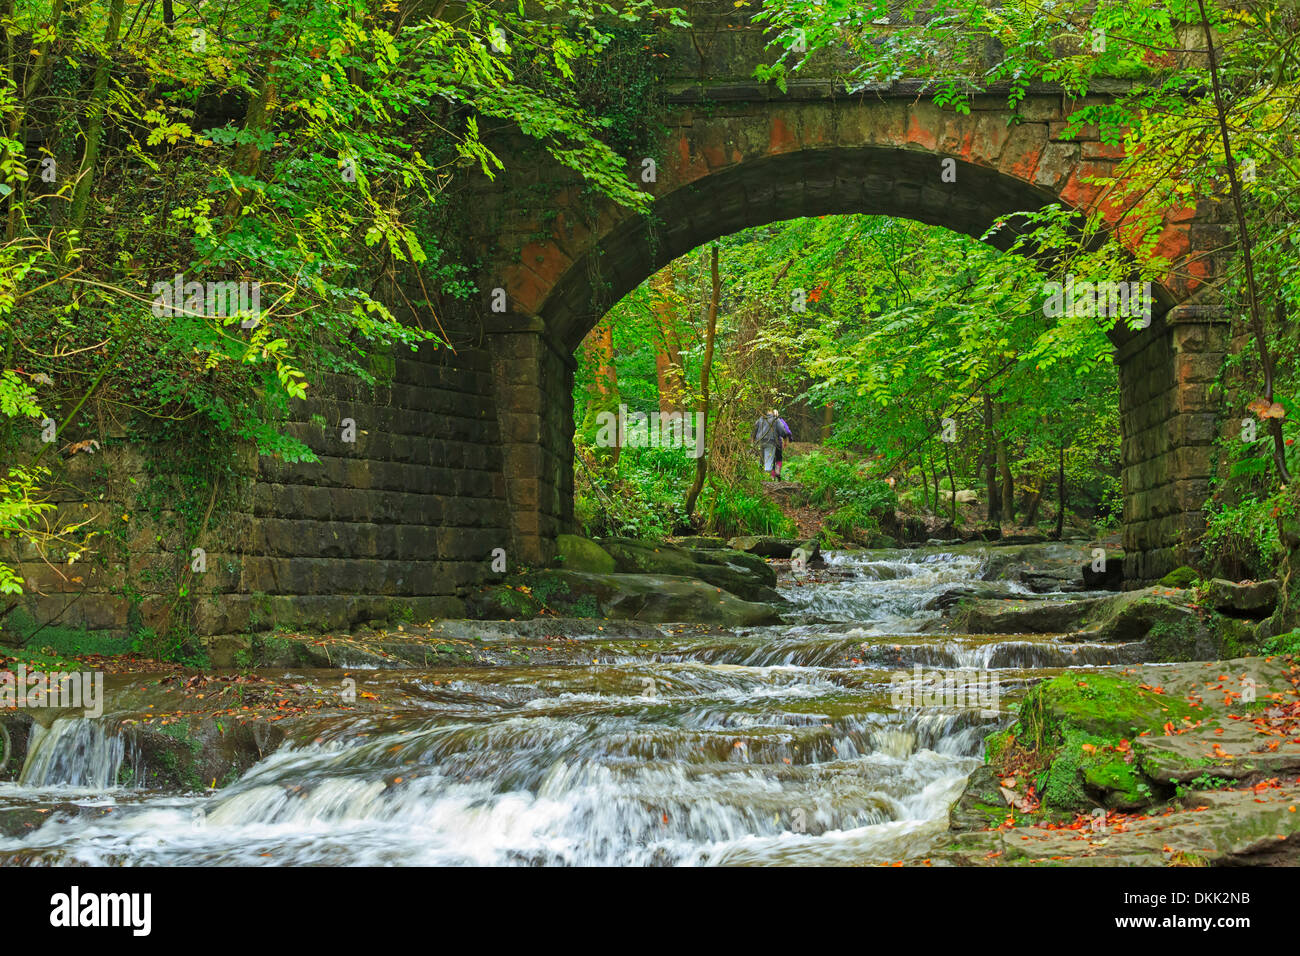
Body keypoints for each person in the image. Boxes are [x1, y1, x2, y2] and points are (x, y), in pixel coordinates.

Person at [752, 408, 791, 478]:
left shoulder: (761, 419)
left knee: (760, 461)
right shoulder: (775, 419)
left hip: (759, 442)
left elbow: (754, 430)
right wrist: (785, 440)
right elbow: (782, 430)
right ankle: (767, 480)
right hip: (771, 442)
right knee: (768, 462)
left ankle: (759, 480)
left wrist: (753, 441)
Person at [773, 414, 792, 478]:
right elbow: (787, 431)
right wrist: (788, 440)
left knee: (771, 459)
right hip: (778, 442)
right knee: (779, 458)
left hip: (767, 443)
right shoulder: (780, 420)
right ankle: (777, 472)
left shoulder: (765, 421)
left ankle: (771, 476)